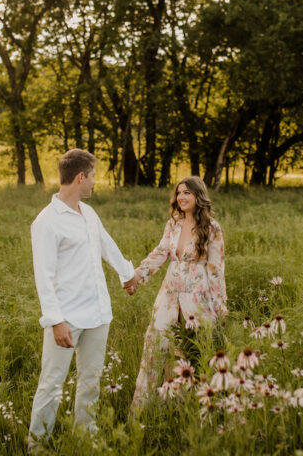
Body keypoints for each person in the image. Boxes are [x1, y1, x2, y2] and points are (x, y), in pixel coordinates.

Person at [28, 149, 138, 444]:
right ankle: (38, 446)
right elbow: (44, 277)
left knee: (91, 382)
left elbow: (107, 246)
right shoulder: (47, 222)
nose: (94, 182)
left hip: (98, 313)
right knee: (52, 384)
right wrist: (55, 321)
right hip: (67, 318)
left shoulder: (88, 213)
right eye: (92, 176)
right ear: (80, 177)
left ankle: (84, 437)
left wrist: (127, 275)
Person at [124, 176, 227, 407]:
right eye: (179, 192)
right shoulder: (174, 224)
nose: (181, 197)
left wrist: (220, 304)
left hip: (198, 297)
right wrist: (137, 276)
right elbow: (160, 252)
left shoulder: (212, 227)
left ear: (198, 196)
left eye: (187, 192)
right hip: (169, 295)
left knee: (194, 350)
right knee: (155, 346)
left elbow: (216, 269)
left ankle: (193, 406)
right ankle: (144, 407)